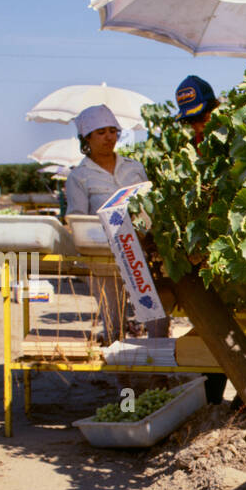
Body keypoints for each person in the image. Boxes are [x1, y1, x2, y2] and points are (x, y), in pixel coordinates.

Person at [173, 74, 246, 401]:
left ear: (215, 107)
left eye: (201, 116)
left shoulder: (240, 135)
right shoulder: (197, 147)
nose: (197, 125)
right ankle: (213, 401)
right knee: (219, 327)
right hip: (225, 255)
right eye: (190, 120)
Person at [65, 105, 149, 345]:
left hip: (137, 253)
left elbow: (148, 209)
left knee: (153, 314)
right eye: (100, 132)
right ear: (87, 138)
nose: (109, 137)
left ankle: (156, 371)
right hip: (102, 258)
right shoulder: (79, 176)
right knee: (113, 318)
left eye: (113, 131)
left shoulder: (134, 168)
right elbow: (77, 220)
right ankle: (120, 376)